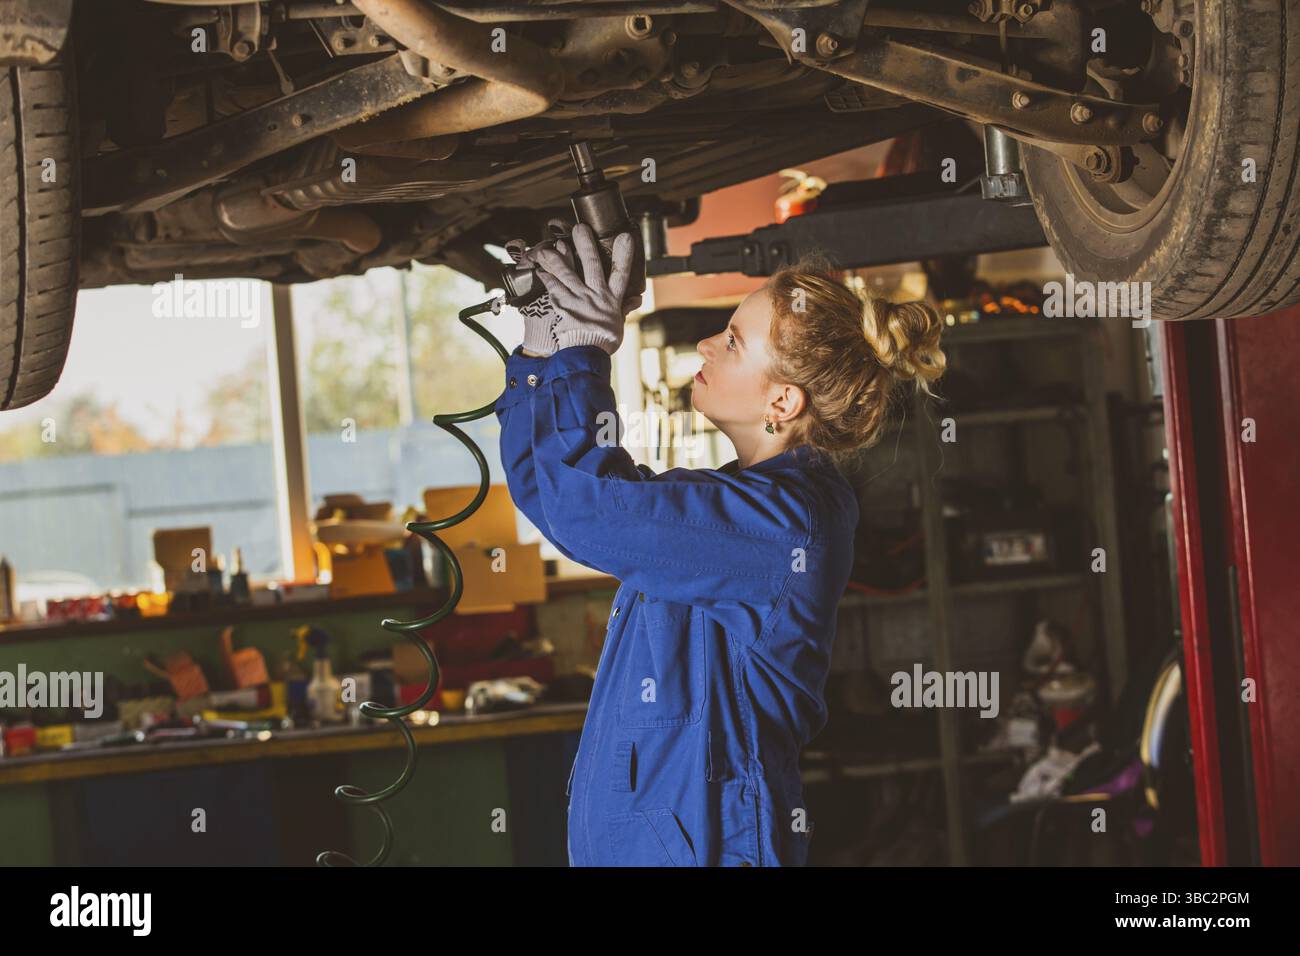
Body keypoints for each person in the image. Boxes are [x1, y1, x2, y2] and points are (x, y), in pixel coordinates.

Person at [495, 219, 946, 866]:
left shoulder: (781, 524)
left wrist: (582, 355)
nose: (706, 343)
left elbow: (586, 509)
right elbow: (554, 497)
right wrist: (543, 356)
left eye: (732, 342)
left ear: (783, 402)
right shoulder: (741, 505)